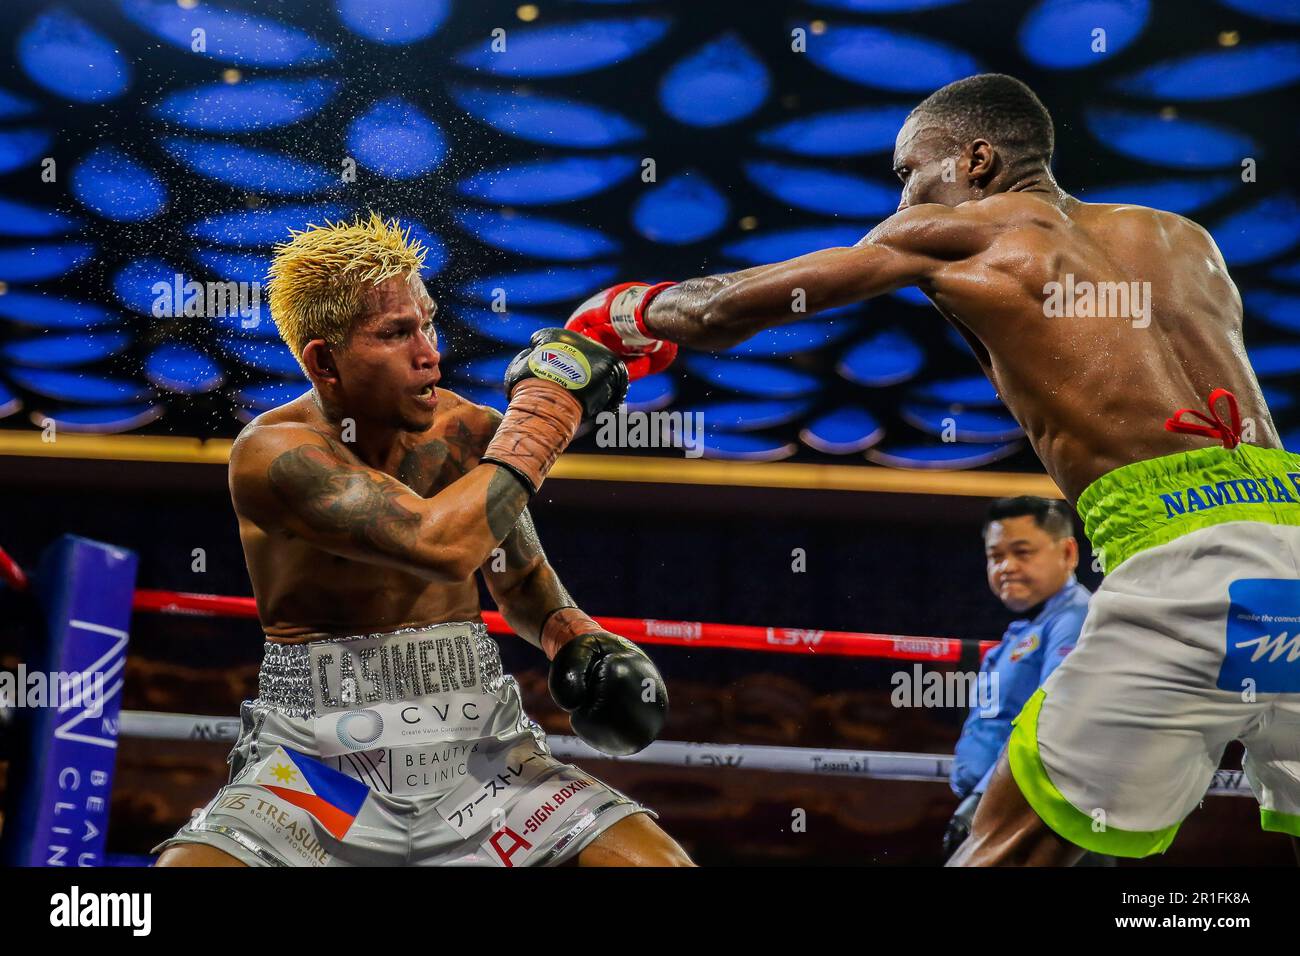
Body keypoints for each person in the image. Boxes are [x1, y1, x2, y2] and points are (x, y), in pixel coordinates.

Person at [566, 73, 1300, 864]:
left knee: (1008, 850)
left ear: (975, 160)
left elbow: (724, 309)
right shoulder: (1185, 238)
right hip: (1288, 531)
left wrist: (625, 314)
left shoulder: (965, 232)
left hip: (1183, 564)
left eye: (910, 170)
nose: (904, 193)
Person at [155, 213, 692, 867]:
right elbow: (439, 546)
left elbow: (520, 581)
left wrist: (576, 639)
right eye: (397, 333)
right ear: (324, 360)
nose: (429, 351)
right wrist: (548, 410)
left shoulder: (469, 432)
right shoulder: (274, 454)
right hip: (317, 767)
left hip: (478, 754)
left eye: (428, 322)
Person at [944, 496, 1097, 863]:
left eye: (1022, 552)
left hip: (1037, 816)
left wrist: (980, 802)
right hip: (1008, 813)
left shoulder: (1075, 619)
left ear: (1068, 553)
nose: (1006, 567)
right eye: (995, 556)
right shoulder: (1029, 628)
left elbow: (1053, 720)